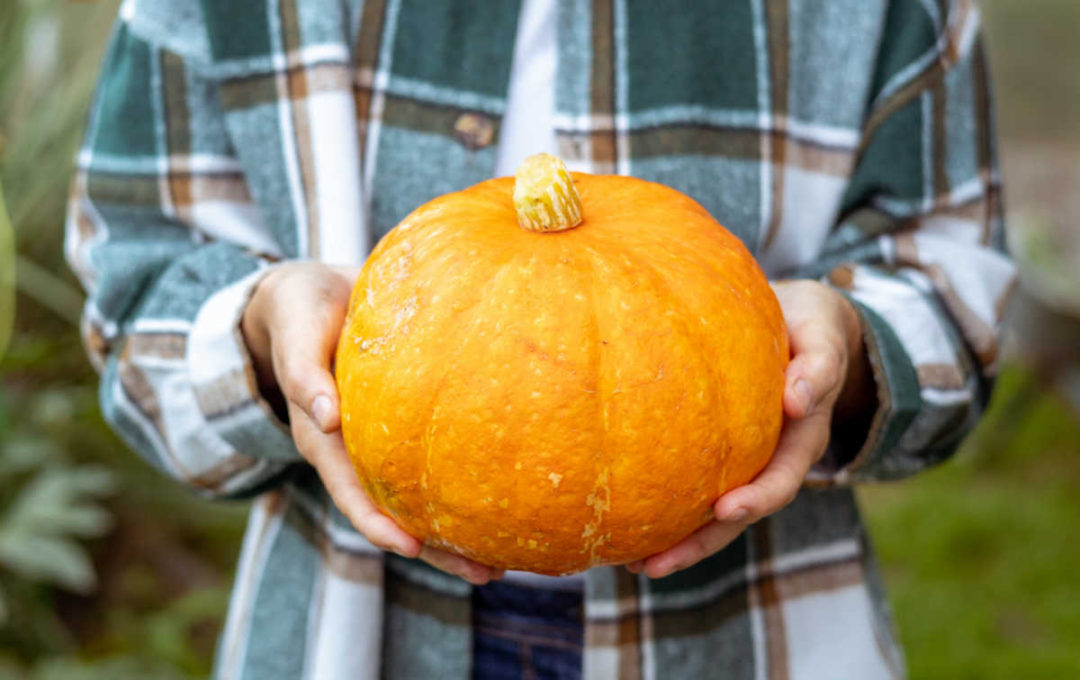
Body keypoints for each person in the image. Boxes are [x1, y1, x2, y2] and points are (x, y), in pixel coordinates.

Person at [66, 0, 1015, 677]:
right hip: (346, 631)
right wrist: (263, 341)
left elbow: (958, 293)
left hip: (747, 635)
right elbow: (130, 291)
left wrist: (847, 350)